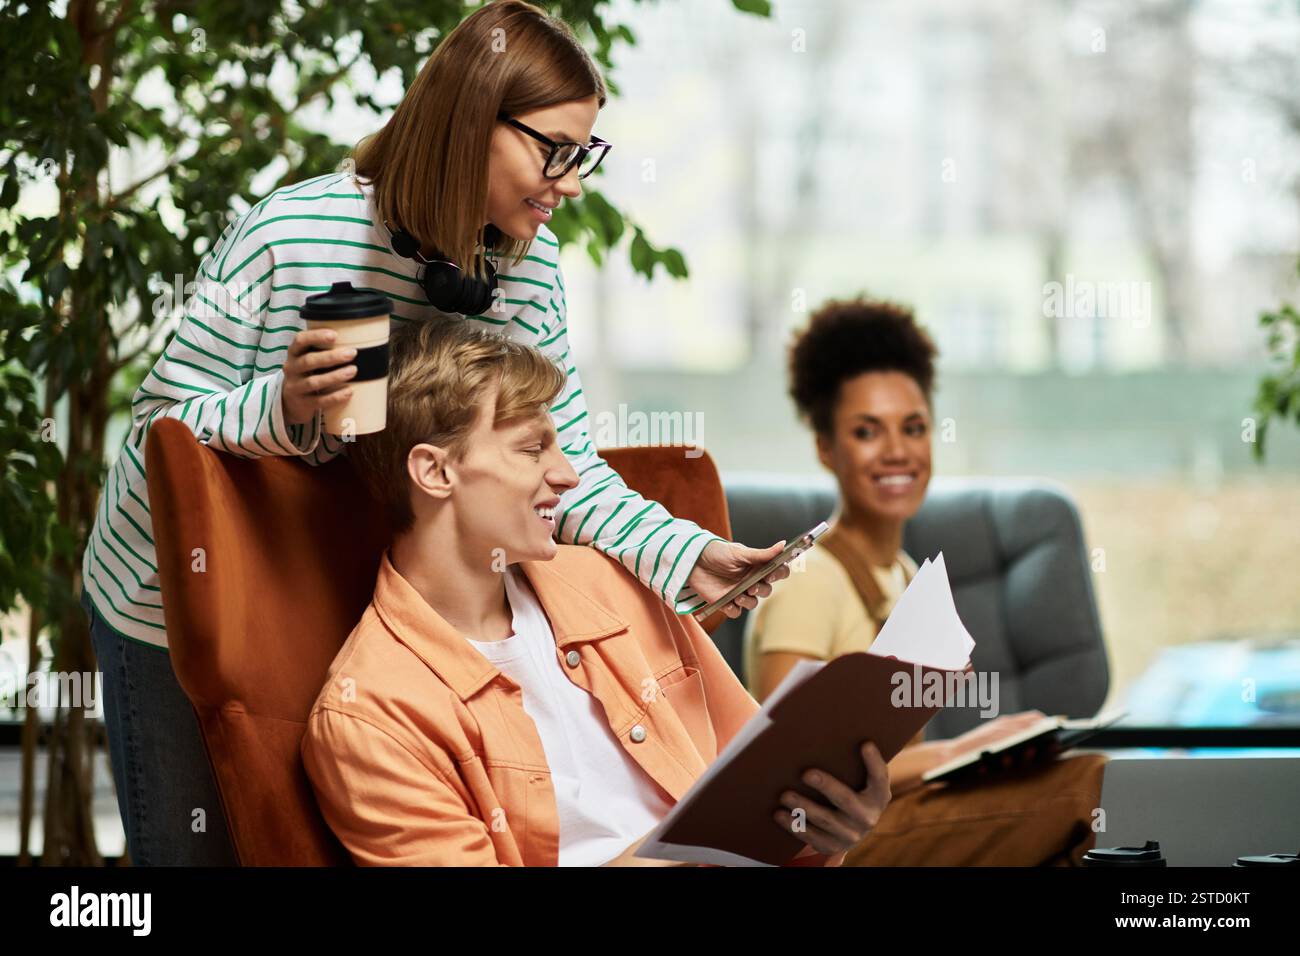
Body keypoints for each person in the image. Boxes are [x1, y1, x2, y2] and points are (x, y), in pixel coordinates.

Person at [80, 0, 788, 866]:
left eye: (584, 156)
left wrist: (687, 556)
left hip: (324, 574)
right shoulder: (291, 233)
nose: (570, 184)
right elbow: (161, 427)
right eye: (553, 151)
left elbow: (566, 469)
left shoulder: (526, 267)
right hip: (173, 593)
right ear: (471, 121)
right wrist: (285, 405)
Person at [301, 316, 890, 866]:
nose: (568, 474)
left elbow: (765, 780)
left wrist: (826, 826)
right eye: (533, 449)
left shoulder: (610, 584)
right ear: (435, 471)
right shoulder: (368, 717)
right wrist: (696, 853)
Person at [744, 295, 1107, 866]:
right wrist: (962, 749)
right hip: (835, 846)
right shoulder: (809, 580)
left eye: (913, 428)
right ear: (825, 448)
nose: (897, 452)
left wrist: (987, 751)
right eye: (867, 431)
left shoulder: (907, 577)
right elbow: (789, 772)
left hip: (897, 815)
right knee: (1088, 791)